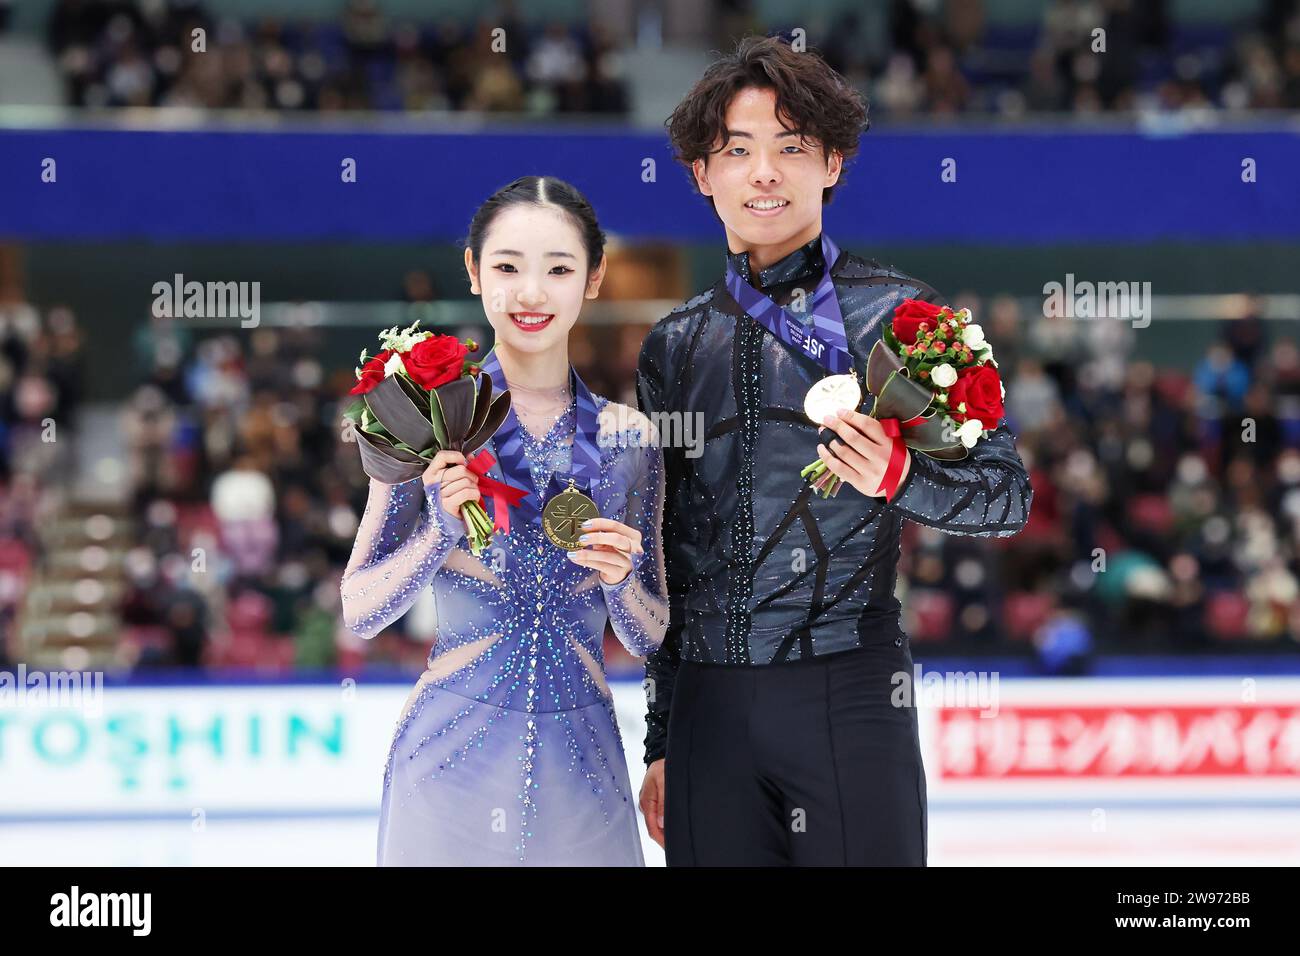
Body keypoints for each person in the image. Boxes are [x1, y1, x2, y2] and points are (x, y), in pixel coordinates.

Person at [635, 36, 1033, 866]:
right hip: (709, 711)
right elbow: (672, 551)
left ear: (833, 163)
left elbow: (1007, 498)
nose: (764, 173)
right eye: (736, 151)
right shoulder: (673, 345)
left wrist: (901, 475)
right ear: (702, 174)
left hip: (851, 689)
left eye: (791, 147)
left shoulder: (905, 317)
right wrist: (663, 737)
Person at [341, 175, 669, 865]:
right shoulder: (423, 422)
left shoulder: (630, 439)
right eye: (509, 267)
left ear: (595, 278)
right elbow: (361, 610)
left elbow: (651, 633)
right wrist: (438, 534)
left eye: (559, 269)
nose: (531, 293)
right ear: (474, 271)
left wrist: (620, 581)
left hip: (584, 774)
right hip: (447, 768)